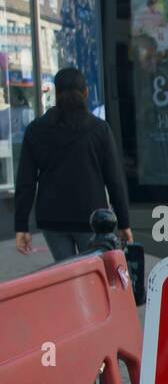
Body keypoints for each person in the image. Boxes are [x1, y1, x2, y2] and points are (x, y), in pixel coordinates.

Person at [14, 67, 132, 261]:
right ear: (85, 92)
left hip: (52, 219)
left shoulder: (36, 130)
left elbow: (25, 182)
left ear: (56, 93)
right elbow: (114, 180)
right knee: (93, 273)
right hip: (93, 218)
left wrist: (21, 227)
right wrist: (124, 223)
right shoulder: (99, 129)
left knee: (65, 274)